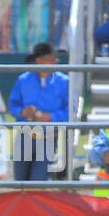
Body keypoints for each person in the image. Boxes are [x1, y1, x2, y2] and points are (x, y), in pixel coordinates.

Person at [7, 42, 68, 181]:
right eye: (50, 58)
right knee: (20, 181)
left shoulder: (64, 82)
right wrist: (23, 112)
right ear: (38, 60)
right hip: (24, 135)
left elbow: (71, 110)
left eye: (54, 58)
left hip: (49, 137)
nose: (54, 62)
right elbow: (13, 105)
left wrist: (51, 116)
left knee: (38, 181)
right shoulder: (23, 80)